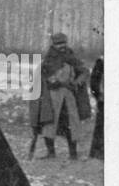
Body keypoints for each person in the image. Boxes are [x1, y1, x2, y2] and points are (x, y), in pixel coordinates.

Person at [30, 31, 90, 159]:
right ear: (53, 44)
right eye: (58, 44)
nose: (61, 46)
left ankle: (73, 154)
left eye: (63, 43)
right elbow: (43, 74)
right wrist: (52, 80)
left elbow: (84, 71)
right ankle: (51, 153)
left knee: (71, 125)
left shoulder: (71, 56)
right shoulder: (49, 58)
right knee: (49, 124)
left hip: (69, 97)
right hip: (52, 97)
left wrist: (76, 82)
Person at [89, 55, 104, 159]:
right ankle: (97, 152)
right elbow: (94, 81)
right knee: (101, 125)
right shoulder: (102, 61)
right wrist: (98, 95)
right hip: (104, 99)